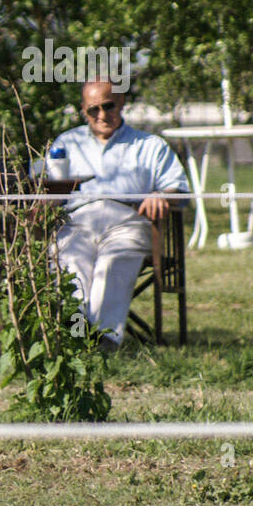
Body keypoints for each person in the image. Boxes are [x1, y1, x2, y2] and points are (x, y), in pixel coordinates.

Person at [50, 77, 188, 350]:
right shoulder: (66, 142)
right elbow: (44, 188)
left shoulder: (150, 144)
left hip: (128, 221)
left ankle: (104, 340)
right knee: (71, 263)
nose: (102, 115)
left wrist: (161, 196)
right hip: (78, 219)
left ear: (122, 102)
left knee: (113, 263)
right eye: (93, 109)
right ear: (83, 110)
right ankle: (77, 336)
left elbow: (179, 189)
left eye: (109, 105)